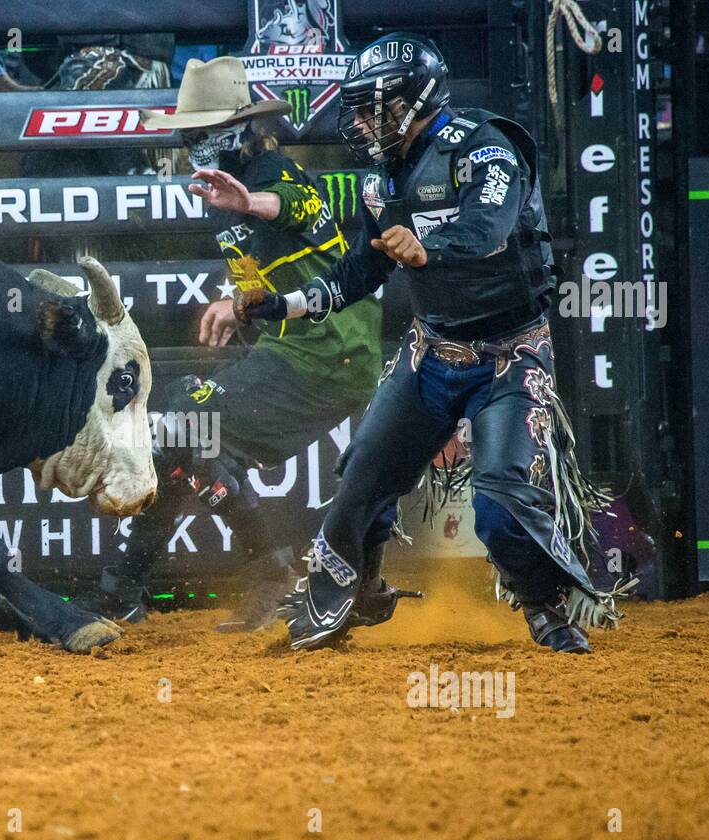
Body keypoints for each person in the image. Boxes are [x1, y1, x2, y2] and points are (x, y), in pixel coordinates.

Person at [237, 32, 629, 653]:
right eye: (359, 109)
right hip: (430, 354)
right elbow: (357, 273)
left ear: (411, 101)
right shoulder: (380, 180)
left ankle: (543, 604)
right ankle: (355, 593)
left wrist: (429, 249)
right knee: (363, 473)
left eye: (374, 107)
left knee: (500, 495)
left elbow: (489, 226)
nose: (362, 122)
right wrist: (282, 304)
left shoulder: (485, 149)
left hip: (509, 354)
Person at [79, 57, 386, 630]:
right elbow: (270, 260)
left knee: (179, 423)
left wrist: (249, 203)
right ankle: (121, 593)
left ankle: (266, 577)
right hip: (302, 351)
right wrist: (233, 299)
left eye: (203, 134)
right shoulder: (230, 189)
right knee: (182, 437)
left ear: (239, 132)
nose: (193, 145)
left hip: (328, 355)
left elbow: (297, 205)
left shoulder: (272, 177)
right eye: (189, 135)